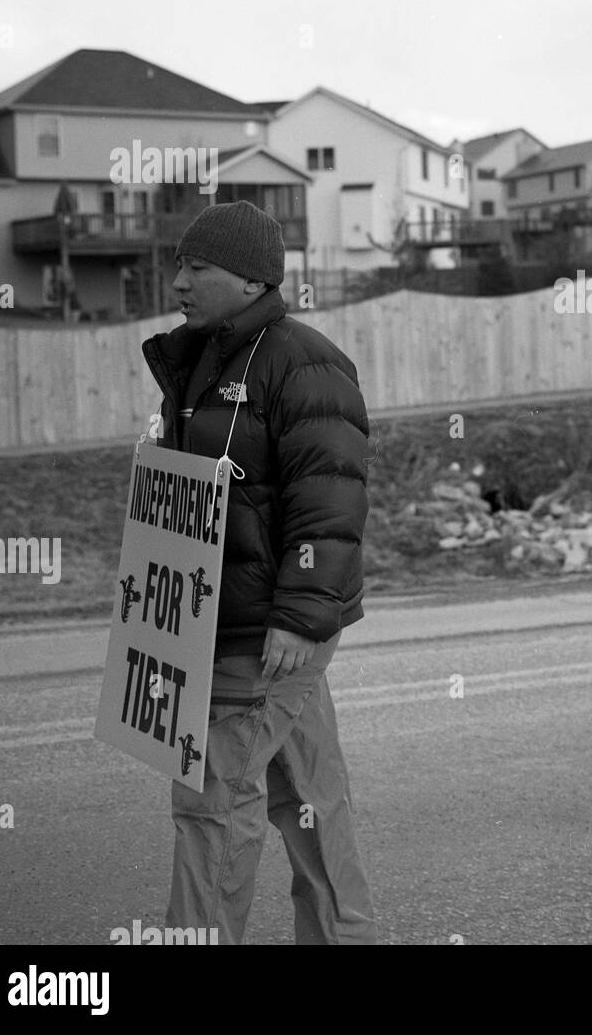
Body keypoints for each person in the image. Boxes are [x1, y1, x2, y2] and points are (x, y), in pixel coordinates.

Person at [142, 199, 378, 944]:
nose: (178, 282)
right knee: (309, 797)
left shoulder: (301, 361)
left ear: (249, 280)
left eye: (197, 267)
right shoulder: (201, 362)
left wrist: (299, 617)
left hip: (268, 628)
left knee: (212, 800)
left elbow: (330, 500)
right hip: (221, 621)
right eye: (178, 265)